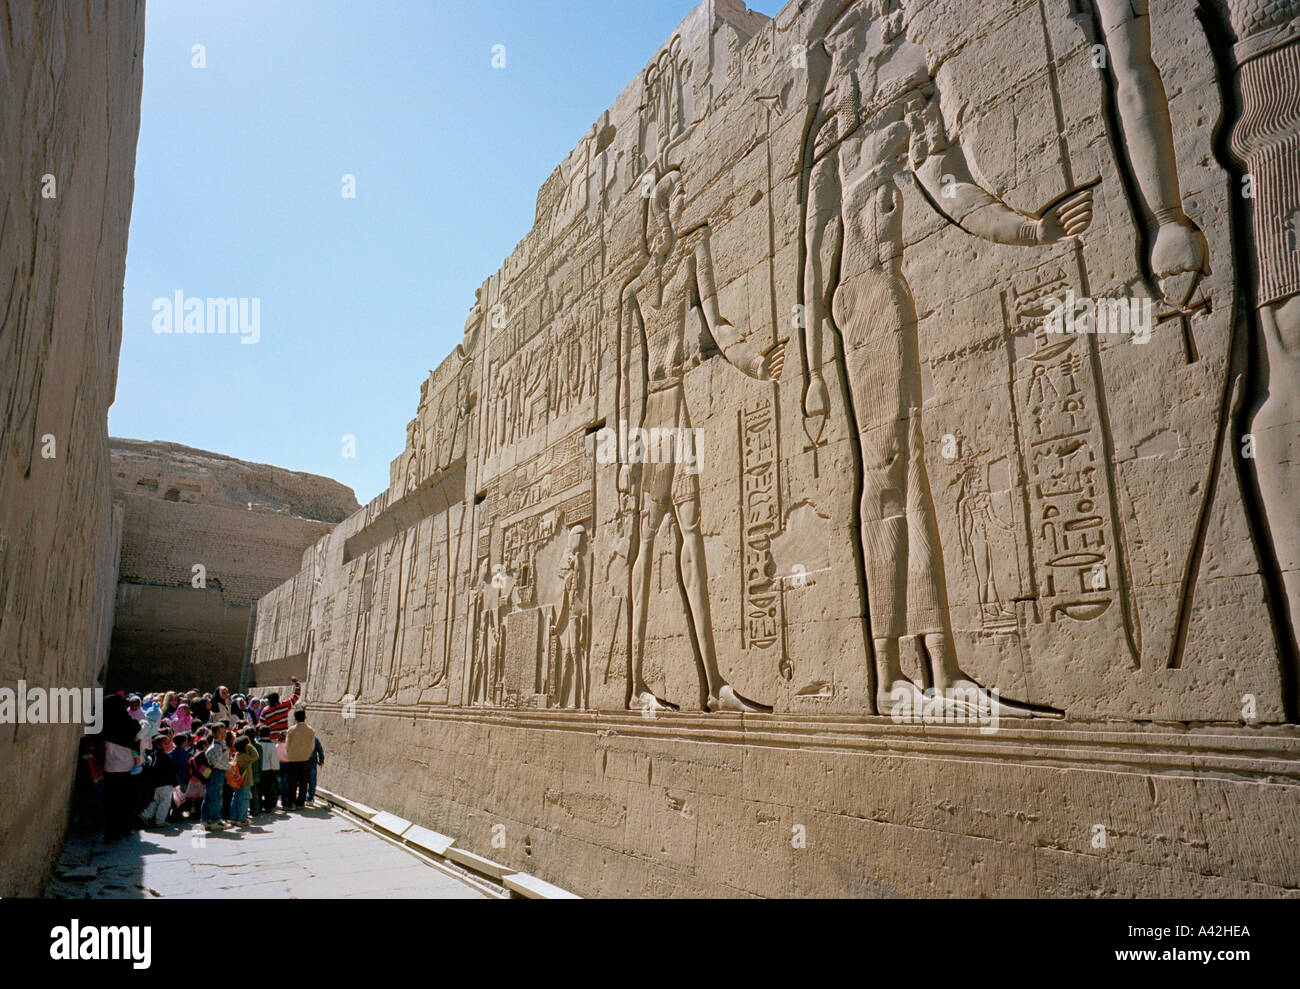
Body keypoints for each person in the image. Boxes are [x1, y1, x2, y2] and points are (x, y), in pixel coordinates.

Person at [101, 694, 141, 843]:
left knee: (111, 803)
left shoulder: (103, 724)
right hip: (128, 768)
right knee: (127, 801)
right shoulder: (132, 724)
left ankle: (111, 834)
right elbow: (137, 746)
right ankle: (125, 828)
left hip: (110, 768)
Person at [139, 734, 178, 828]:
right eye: (165, 743)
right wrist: (175, 783)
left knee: (156, 801)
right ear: (158, 745)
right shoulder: (165, 757)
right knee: (165, 803)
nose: (168, 745)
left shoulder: (154, 755)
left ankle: (145, 815)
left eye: (169, 743)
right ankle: (160, 821)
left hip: (157, 784)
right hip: (165, 783)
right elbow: (171, 771)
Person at [282, 709, 315, 809]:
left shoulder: (291, 730)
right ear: (305, 717)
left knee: (292, 782)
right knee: (303, 782)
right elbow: (312, 746)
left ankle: (291, 803)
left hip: (293, 759)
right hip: (305, 759)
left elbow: (287, 745)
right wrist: (307, 754)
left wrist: (290, 753)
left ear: (294, 718)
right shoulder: (310, 730)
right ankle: (301, 802)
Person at [200, 723, 230, 830]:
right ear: (214, 734)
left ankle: (205, 819)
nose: (223, 734)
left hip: (215, 773)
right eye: (220, 732)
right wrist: (229, 766)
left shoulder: (220, 744)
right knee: (216, 797)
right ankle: (215, 820)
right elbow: (217, 763)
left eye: (224, 732)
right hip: (217, 773)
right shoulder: (217, 746)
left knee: (209, 796)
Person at [229, 737, 258, 826]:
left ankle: (233, 818)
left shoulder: (237, 755)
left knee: (236, 799)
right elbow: (255, 756)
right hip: (245, 781)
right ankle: (242, 819)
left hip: (237, 782)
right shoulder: (244, 756)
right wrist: (250, 746)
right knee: (244, 800)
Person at [256, 726, 281, 814]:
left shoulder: (257, 744)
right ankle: (268, 807)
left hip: (259, 770)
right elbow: (274, 759)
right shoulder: (272, 745)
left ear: (259, 733)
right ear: (269, 734)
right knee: (268, 790)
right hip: (269, 771)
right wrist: (276, 770)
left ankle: (258, 806)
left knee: (259, 790)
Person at [306, 734, 325, 805]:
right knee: (312, 780)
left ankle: (301, 799)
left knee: (303, 780)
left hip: (303, 761)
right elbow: (320, 750)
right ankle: (310, 798)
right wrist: (321, 760)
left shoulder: (301, 737)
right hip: (312, 761)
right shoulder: (315, 738)